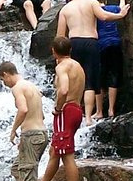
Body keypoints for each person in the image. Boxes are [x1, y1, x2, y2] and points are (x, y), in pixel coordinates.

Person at [56, 0, 129, 125]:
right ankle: (89, 118)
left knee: (77, 78)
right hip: (91, 42)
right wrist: (120, 15)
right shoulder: (91, 2)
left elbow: (60, 36)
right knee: (90, 80)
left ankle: (76, 114)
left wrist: (59, 57)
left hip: (74, 42)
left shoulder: (65, 9)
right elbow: (104, 17)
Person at [42, 36, 86, 181]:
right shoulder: (78, 66)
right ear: (70, 49)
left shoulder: (62, 67)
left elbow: (64, 90)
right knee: (55, 150)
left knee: (67, 155)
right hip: (77, 110)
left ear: (53, 51)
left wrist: (58, 108)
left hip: (66, 111)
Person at [0, 61, 49, 181]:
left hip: (32, 135)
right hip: (40, 134)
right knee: (17, 169)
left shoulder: (17, 88)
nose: (4, 84)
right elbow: (42, 116)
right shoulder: (32, 86)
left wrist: (14, 129)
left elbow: (23, 110)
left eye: (2, 79)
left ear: (6, 74)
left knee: (27, 175)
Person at [95, 0, 124, 119]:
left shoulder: (94, 11)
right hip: (115, 44)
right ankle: (111, 109)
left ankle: (99, 111)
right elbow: (121, 8)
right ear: (105, 1)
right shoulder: (112, 8)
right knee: (114, 74)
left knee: (100, 78)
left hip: (101, 46)